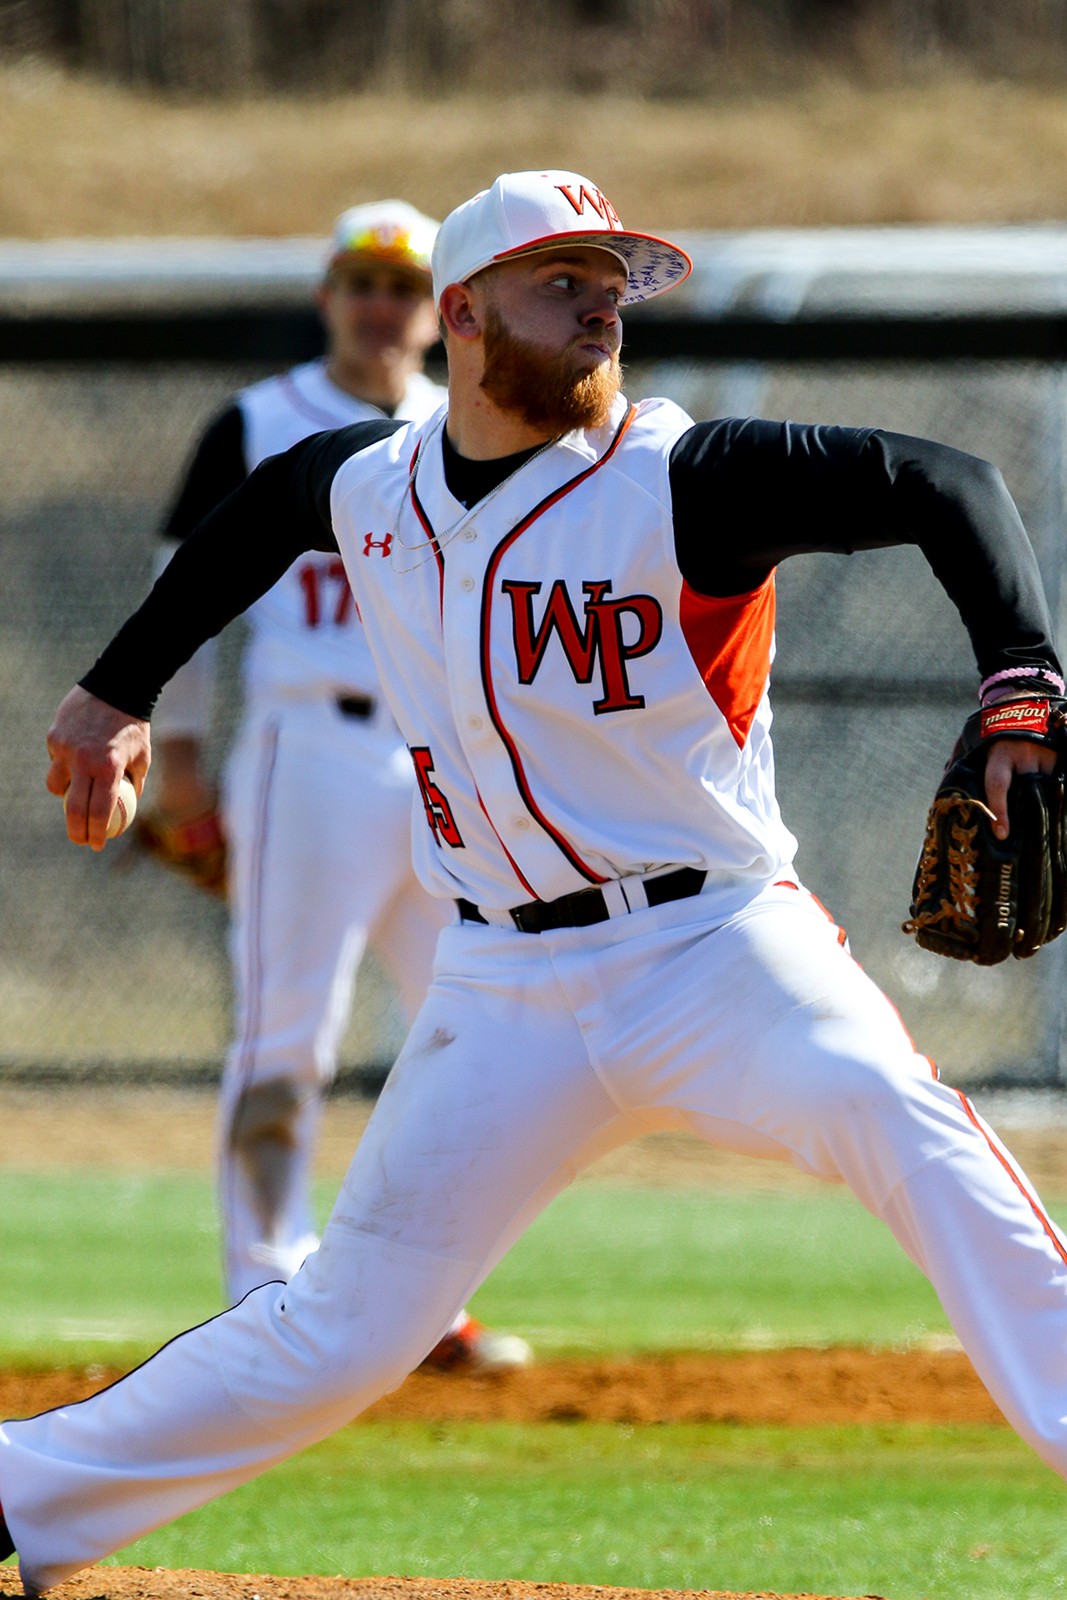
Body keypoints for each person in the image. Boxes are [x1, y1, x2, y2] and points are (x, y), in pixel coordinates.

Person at [12, 166, 1067, 1594]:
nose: (599, 304)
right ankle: (23, 1499)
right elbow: (263, 512)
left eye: (613, 280)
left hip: (717, 952)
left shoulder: (678, 477)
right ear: (460, 313)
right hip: (498, 988)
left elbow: (948, 483)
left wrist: (1020, 688)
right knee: (344, 1325)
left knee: (913, 1135)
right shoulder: (374, 484)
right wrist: (112, 694)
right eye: (559, 277)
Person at [144, 196, 531, 1373]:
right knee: (285, 1034)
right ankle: (261, 1287)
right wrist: (179, 757)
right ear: (328, 296)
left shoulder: (474, 425)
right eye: (361, 281)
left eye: (404, 285)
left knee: (466, 1036)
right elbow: (184, 594)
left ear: (442, 309)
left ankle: (422, 1303)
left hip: (448, 769)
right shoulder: (259, 421)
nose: (381, 305)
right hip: (302, 751)